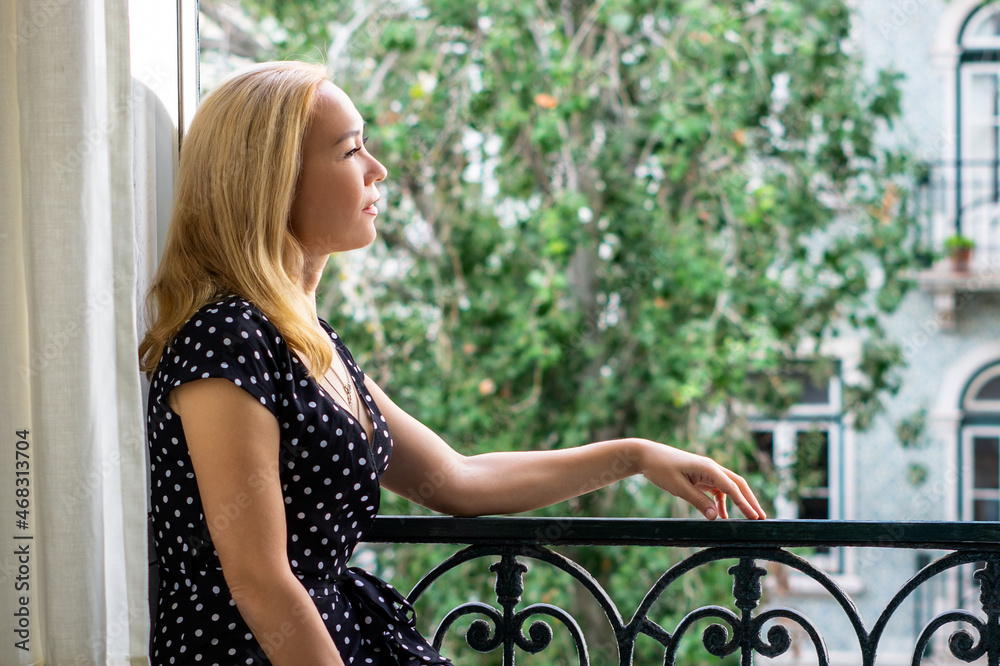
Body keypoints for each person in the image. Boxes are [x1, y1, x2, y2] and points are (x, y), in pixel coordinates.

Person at [139, 60, 766, 666]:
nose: (377, 170)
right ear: (275, 178)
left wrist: (636, 456)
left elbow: (457, 480)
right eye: (351, 150)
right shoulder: (226, 338)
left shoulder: (306, 341)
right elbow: (259, 582)